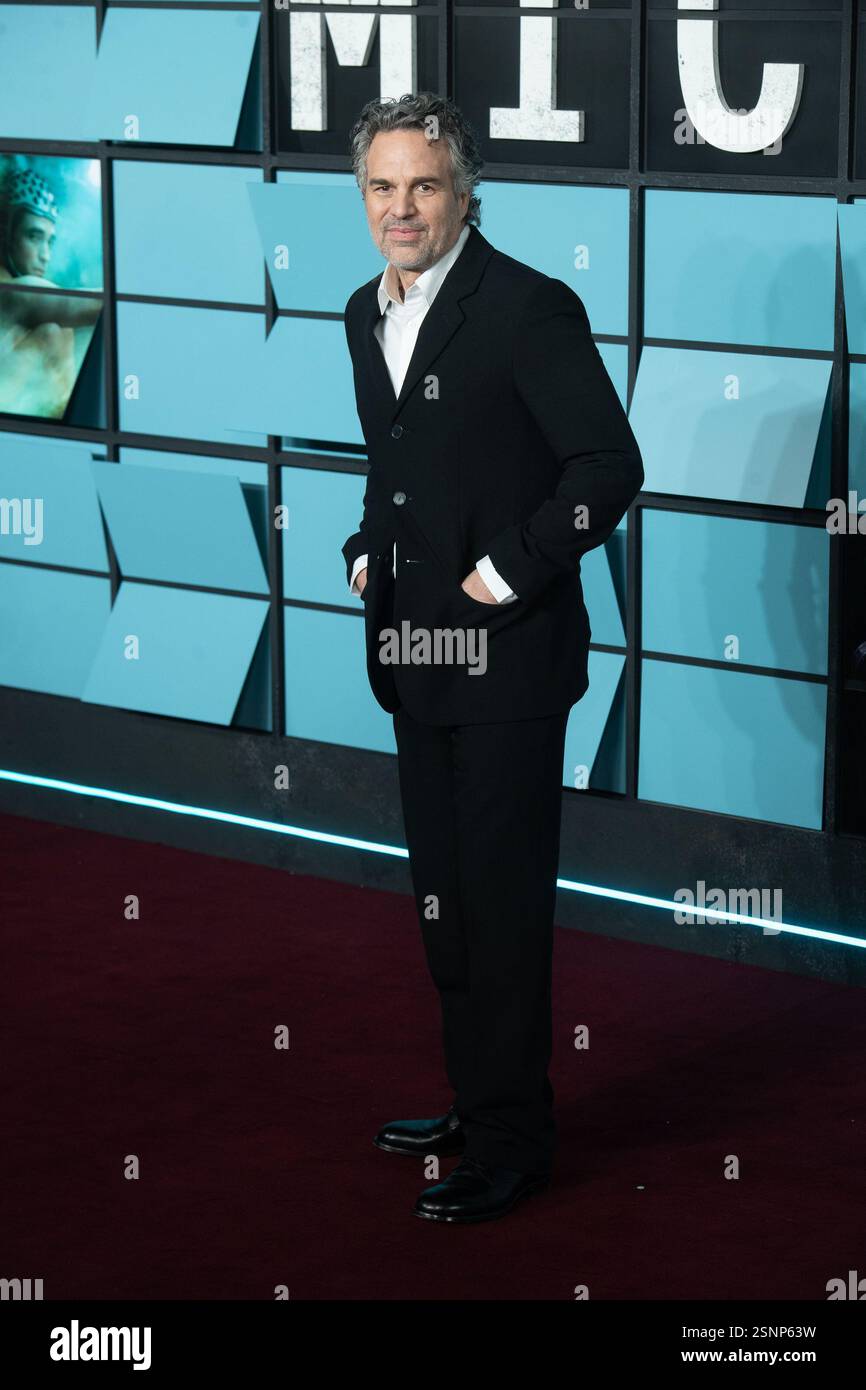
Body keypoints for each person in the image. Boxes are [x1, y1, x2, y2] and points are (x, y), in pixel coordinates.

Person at [341, 92, 644, 1224]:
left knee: (501, 907)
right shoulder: (359, 313)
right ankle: (478, 1097)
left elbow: (605, 468)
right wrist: (369, 547)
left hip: (507, 662)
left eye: (422, 184)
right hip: (412, 654)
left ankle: (516, 1143)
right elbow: (401, 467)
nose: (401, 207)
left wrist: (503, 573)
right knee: (444, 902)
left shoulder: (527, 308)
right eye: (381, 186)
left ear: (464, 190)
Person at [0, 165, 101, 418]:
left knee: (52, 331)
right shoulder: (12, 291)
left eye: (50, 241)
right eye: (34, 237)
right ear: (6, 235)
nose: (45, 255)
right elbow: (91, 305)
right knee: (55, 332)